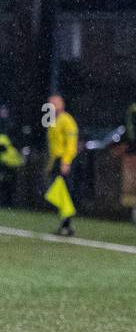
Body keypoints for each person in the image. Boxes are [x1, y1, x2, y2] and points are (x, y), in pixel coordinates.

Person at [45, 94, 78, 236]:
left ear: (62, 104)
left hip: (64, 161)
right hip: (56, 161)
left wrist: (66, 162)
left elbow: (71, 144)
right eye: (50, 104)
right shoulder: (52, 121)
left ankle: (67, 225)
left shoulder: (67, 120)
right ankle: (65, 224)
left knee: (64, 193)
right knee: (59, 192)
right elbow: (52, 145)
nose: (52, 106)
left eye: (55, 103)